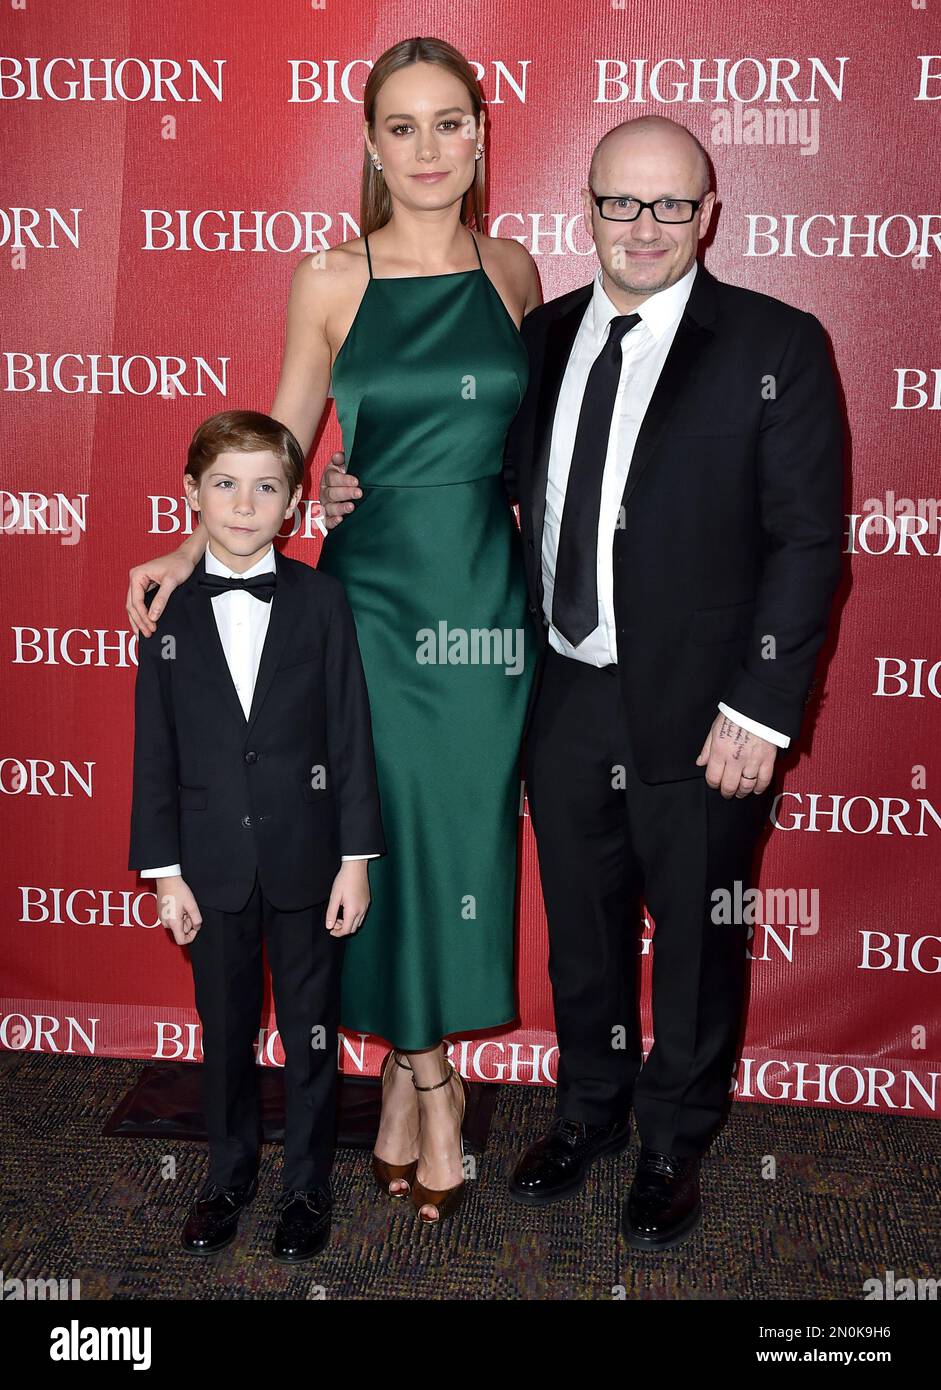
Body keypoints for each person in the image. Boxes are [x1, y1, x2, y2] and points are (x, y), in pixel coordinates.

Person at [124, 38, 542, 1224]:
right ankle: (431, 1077)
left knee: (459, 842)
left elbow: (529, 443)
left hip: (484, 598)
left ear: (479, 135)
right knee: (380, 827)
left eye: (447, 122)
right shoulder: (329, 277)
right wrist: (190, 547)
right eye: (401, 126)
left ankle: (408, 1075)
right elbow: (279, 444)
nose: (426, 148)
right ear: (368, 144)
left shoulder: (514, 270)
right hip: (372, 601)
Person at [501, 115, 845, 1250]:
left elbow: (805, 542)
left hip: (707, 710)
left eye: (669, 204)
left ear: (707, 214)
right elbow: (493, 489)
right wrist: (360, 489)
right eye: (619, 202)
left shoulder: (775, 342)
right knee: (581, 929)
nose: (642, 227)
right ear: (586, 208)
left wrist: (759, 708)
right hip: (564, 689)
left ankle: (671, 1141)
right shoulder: (542, 336)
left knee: (696, 937)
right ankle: (589, 1111)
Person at [128, 410, 385, 1262]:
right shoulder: (166, 609)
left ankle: (307, 1186)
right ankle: (227, 1175)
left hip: (309, 861)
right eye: (225, 485)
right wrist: (166, 874)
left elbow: (350, 736)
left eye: (266, 487)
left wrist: (355, 861)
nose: (244, 505)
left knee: (312, 1031)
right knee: (225, 1029)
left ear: (294, 503)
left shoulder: (321, 600)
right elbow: (155, 752)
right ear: (191, 494)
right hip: (209, 868)